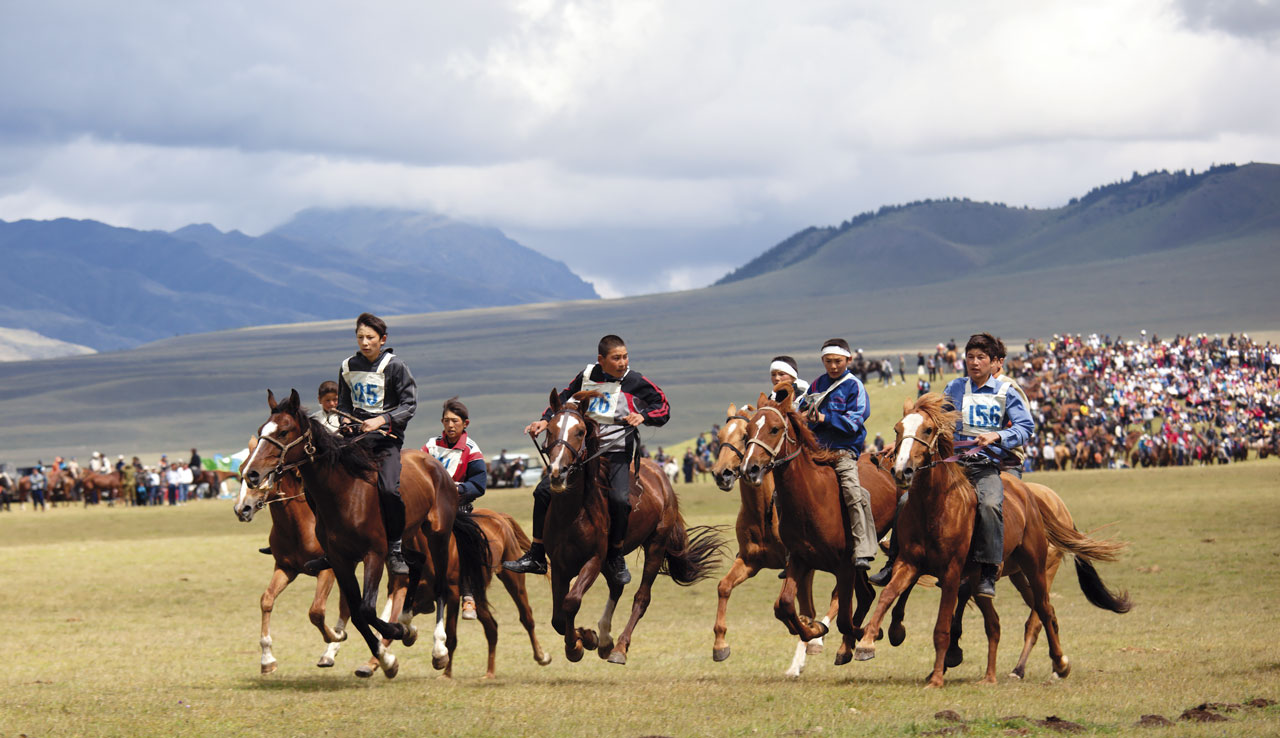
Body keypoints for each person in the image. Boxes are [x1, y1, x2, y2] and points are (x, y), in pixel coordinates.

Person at [503, 334, 670, 585]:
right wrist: (545, 420)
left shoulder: (634, 380)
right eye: (616, 358)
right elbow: (564, 399)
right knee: (542, 492)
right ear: (601, 359)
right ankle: (537, 553)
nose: (623, 362)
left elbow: (663, 406)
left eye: (625, 356)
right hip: (584, 453)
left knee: (619, 500)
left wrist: (644, 416)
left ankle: (615, 555)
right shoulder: (587, 375)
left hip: (615, 451)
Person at [311, 312, 418, 576]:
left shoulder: (395, 366)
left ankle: (394, 549)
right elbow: (345, 404)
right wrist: (347, 423)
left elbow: (409, 405)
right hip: (353, 439)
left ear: (383, 339)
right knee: (317, 483)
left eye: (370, 337)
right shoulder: (347, 366)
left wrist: (381, 420)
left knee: (390, 490)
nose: (365, 342)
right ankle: (329, 547)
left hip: (385, 440)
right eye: (360, 337)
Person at [943, 333, 1034, 598]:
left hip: (988, 464)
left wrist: (998, 435)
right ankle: (897, 559)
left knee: (991, 504)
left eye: (981, 357)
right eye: (970, 357)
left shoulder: (1006, 391)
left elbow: (1025, 427)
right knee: (909, 497)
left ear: (994, 362)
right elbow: (939, 419)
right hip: (955, 464)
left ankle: (987, 571)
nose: (974, 362)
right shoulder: (954, 388)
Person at [801, 338, 876, 569]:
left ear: (849, 360)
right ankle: (791, 548)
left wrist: (823, 418)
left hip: (843, 452)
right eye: (828, 361)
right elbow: (802, 411)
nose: (833, 366)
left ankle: (863, 549)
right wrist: (803, 417)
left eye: (837, 361)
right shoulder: (816, 385)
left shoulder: (855, 386)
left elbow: (854, 422)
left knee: (853, 491)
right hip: (815, 451)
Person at [423, 396, 487, 619]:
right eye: (446, 421)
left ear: (465, 424)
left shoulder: (471, 448)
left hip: (458, 508)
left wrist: (455, 490)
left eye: (455, 421)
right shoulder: (431, 446)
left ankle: (468, 596)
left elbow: (479, 484)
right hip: (429, 507)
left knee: (467, 543)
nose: (450, 425)